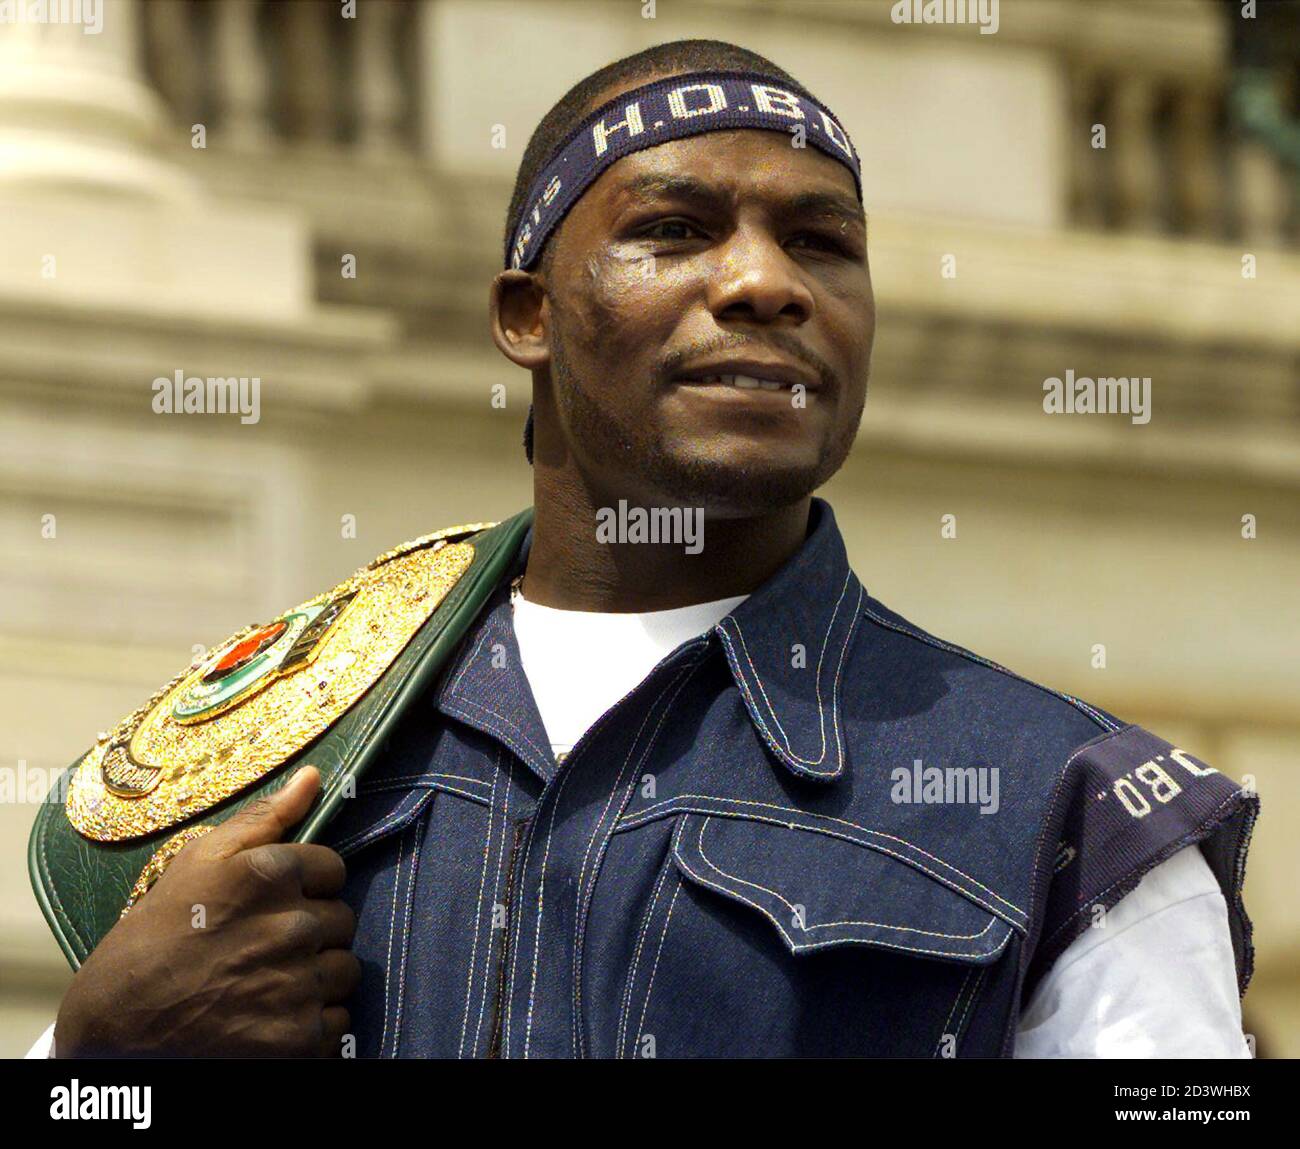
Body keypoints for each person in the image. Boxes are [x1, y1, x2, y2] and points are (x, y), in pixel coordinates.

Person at [30, 39, 1256, 1059]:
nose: (767, 283)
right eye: (675, 229)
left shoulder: (1077, 811)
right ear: (528, 317)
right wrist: (100, 1061)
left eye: (823, 244)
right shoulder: (266, 757)